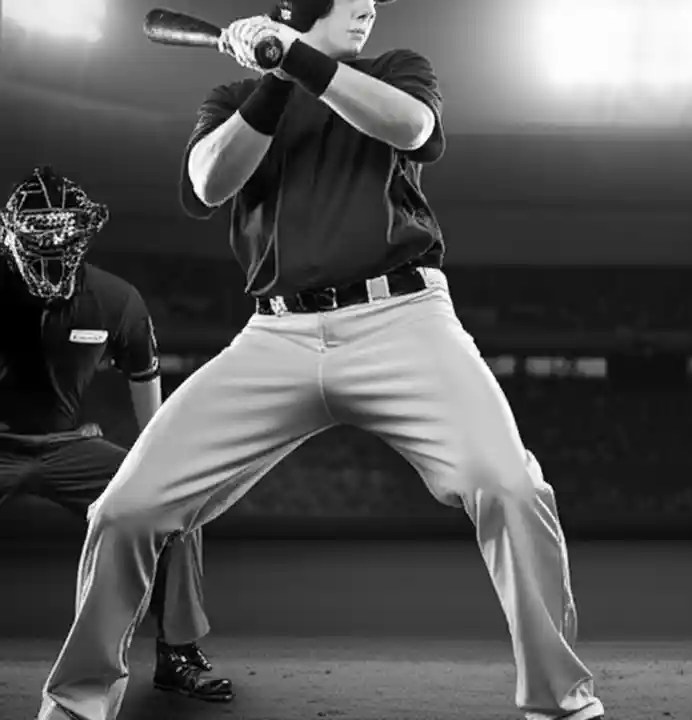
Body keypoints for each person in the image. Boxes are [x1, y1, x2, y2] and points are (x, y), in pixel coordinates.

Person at [35, 2, 605, 720]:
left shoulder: (396, 70)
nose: (367, 6)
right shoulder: (234, 97)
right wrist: (274, 76)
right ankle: (76, 705)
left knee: (512, 488)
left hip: (402, 320)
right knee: (125, 508)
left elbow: (412, 128)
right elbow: (209, 184)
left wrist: (295, 57)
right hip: (276, 337)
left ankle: (560, 702)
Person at [0, 167, 233, 708]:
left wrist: (156, 471)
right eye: (38, 243)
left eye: (61, 243)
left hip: (67, 447)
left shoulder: (115, 299)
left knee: (174, 498)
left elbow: (150, 405)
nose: (50, 255)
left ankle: (177, 653)